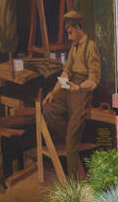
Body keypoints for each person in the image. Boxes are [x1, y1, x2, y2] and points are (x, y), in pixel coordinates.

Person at [41, 10, 100, 179]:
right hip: (69, 87)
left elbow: (94, 80)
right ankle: (71, 136)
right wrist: (53, 92)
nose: (68, 36)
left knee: (70, 145)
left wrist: (79, 87)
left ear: (77, 28)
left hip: (82, 92)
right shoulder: (73, 47)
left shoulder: (90, 46)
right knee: (48, 108)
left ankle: (76, 183)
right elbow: (66, 73)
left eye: (70, 32)